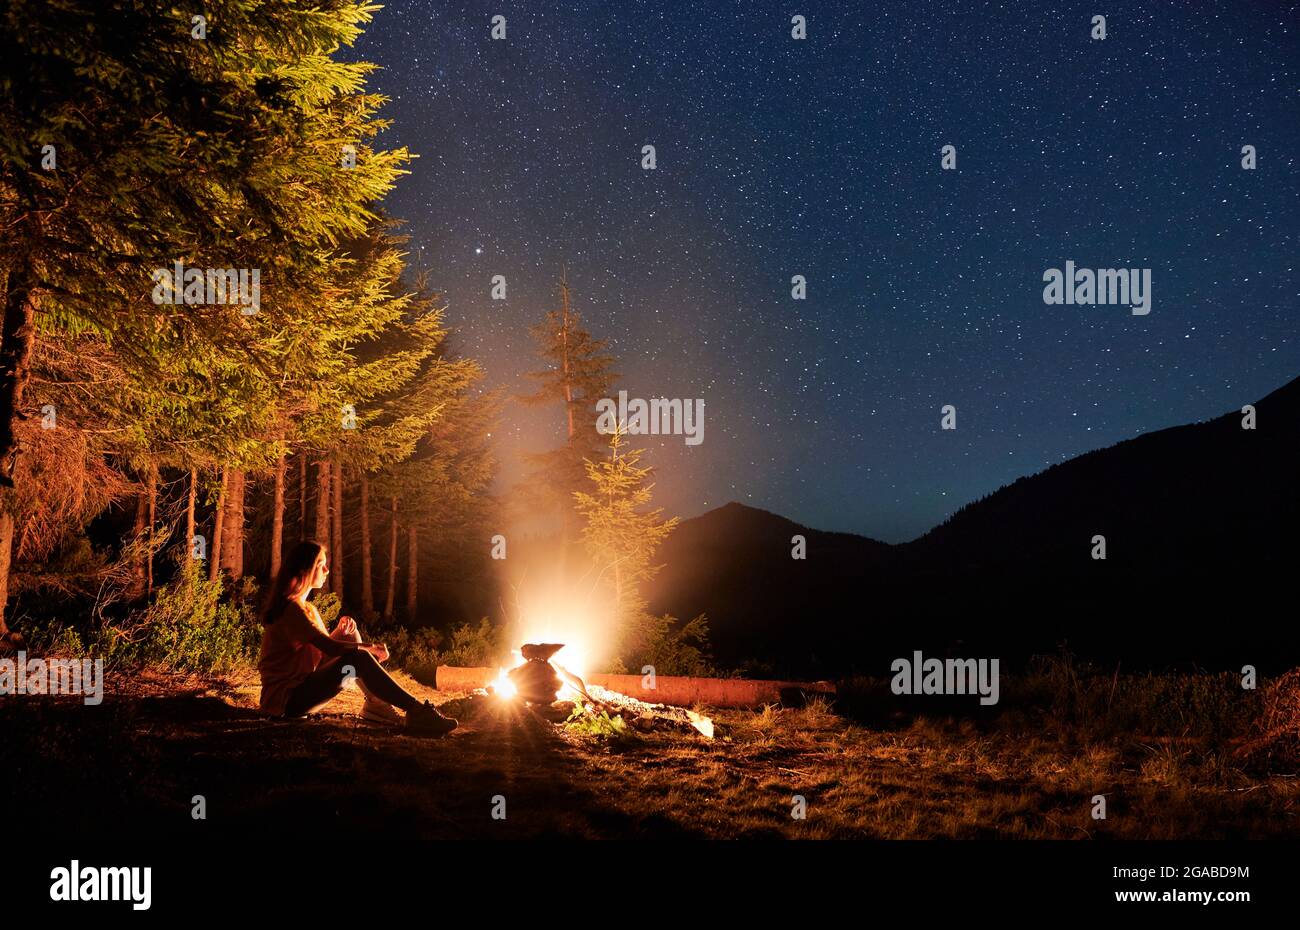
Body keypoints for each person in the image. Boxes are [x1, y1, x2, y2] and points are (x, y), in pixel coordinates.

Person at [257, 540, 456, 737]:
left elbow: (323, 653)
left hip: (302, 692)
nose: (327, 570)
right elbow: (333, 650)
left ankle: (376, 705)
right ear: (304, 569)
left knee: (350, 636)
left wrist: (343, 633)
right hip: (286, 702)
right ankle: (417, 711)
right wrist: (370, 648)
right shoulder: (293, 609)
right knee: (357, 658)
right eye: (321, 565)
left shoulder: (306, 608)